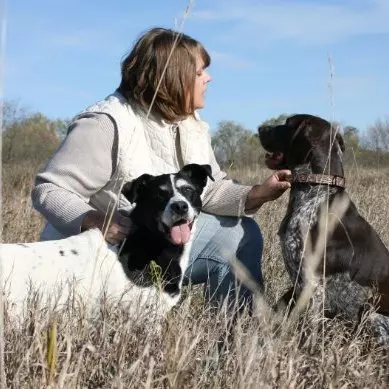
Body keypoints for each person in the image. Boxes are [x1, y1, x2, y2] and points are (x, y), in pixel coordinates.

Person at [31, 27, 291, 310]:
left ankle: (236, 342)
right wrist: (95, 220)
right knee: (234, 236)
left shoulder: (189, 122)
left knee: (242, 231)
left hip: (154, 243)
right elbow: (50, 188)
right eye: (200, 72)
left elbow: (210, 190)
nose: (209, 78)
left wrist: (260, 193)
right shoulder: (106, 123)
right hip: (101, 255)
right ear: (174, 77)